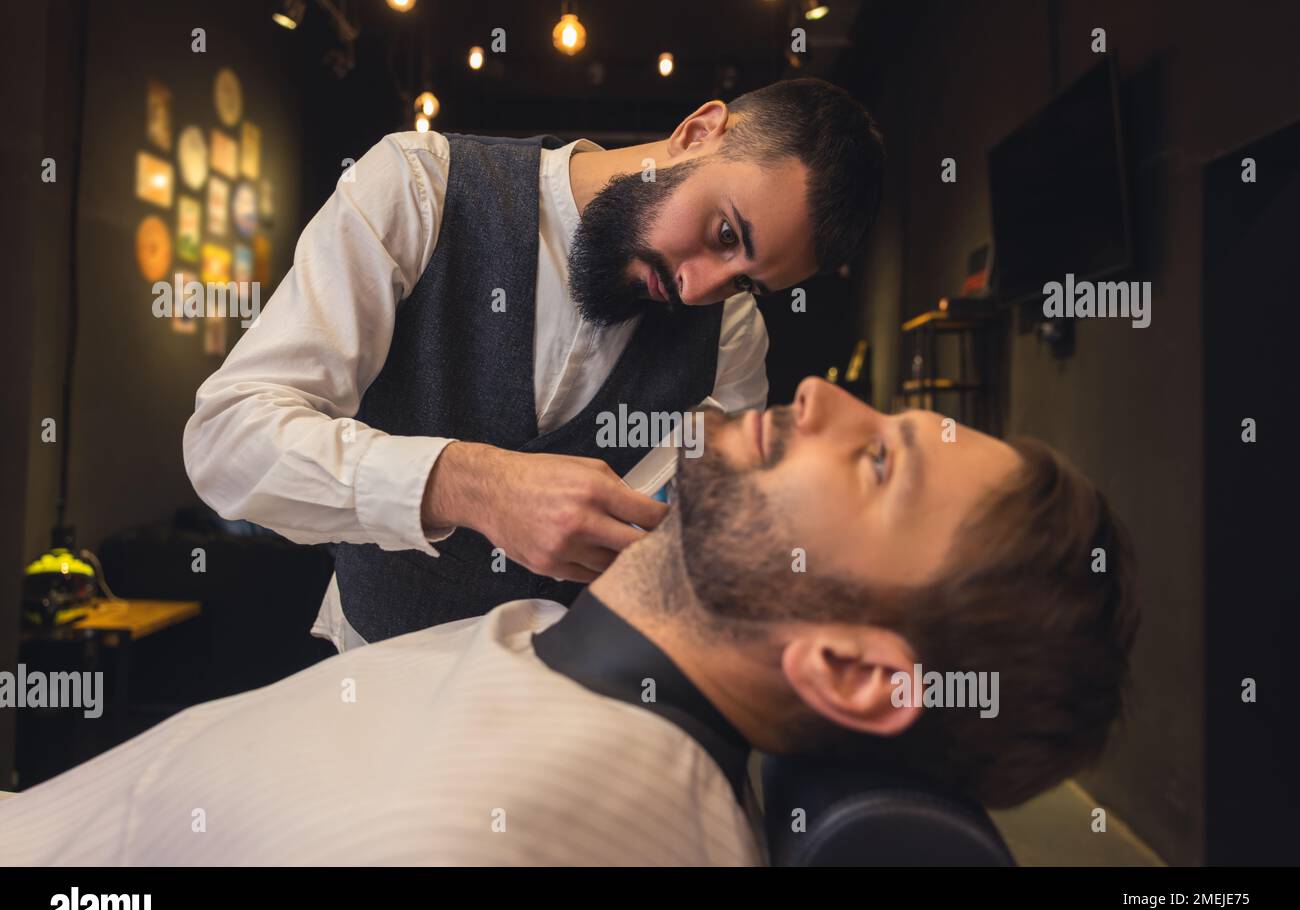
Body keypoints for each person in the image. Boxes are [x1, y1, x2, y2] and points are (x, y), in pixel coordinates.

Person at [0, 379, 1138, 865]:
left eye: (876, 460)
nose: (819, 399)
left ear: (847, 669)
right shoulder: (543, 643)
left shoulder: (470, 844)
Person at [182, 78, 886, 648]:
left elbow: (699, 560)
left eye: (744, 279)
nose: (700, 288)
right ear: (698, 131)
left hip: (564, 722)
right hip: (373, 687)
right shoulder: (419, 188)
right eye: (724, 233)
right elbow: (226, 441)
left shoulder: (729, 335)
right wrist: (470, 483)